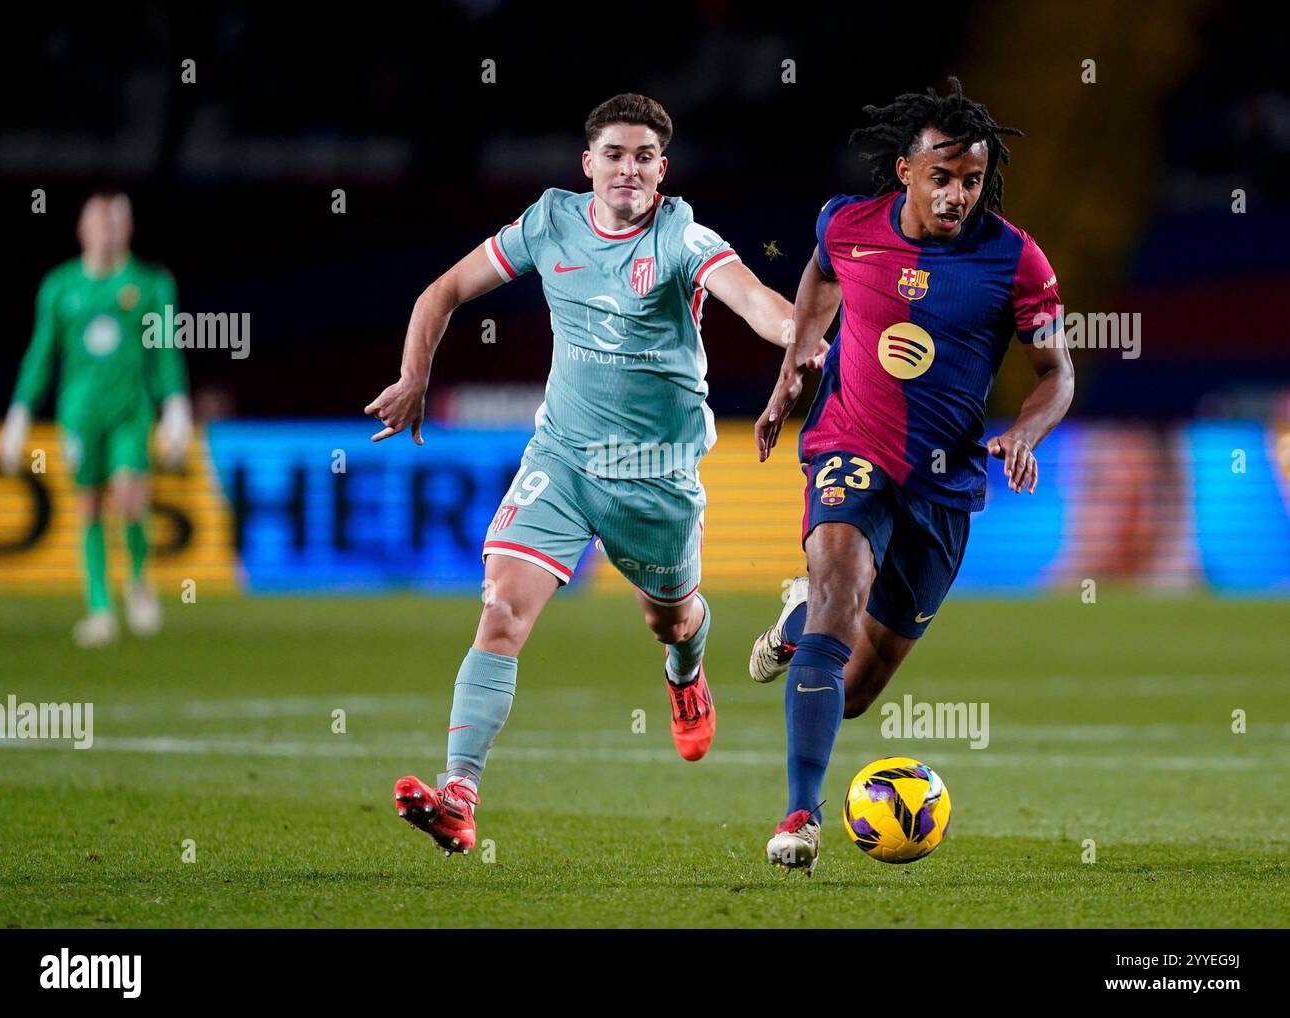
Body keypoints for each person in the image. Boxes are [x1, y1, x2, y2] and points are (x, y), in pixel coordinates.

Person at [368, 93, 812, 856]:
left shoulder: (680, 235)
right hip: (563, 459)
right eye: (614, 154)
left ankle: (685, 671)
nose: (628, 169)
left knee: (668, 619)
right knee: (503, 610)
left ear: (661, 170)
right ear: (589, 165)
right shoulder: (550, 221)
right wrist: (414, 376)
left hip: (655, 476)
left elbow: (755, 300)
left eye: (644, 157)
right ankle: (460, 796)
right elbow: (440, 292)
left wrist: (798, 339)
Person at [750, 80, 1074, 874]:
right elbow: (820, 282)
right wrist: (791, 375)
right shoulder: (846, 223)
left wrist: (1026, 430)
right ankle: (801, 815)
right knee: (837, 598)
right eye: (944, 176)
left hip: (946, 483)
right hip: (849, 449)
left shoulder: (1015, 259)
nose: (959, 193)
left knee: (854, 690)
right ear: (904, 170)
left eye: (973, 178)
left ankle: (794, 627)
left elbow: (1057, 372)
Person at [0, 191, 191, 647]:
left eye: (112, 224)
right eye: (97, 224)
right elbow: (41, 355)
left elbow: (165, 350)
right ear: (82, 230)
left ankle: (139, 581)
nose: (104, 233)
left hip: (130, 410)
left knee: (129, 496)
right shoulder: (60, 287)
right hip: (79, 414)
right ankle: (100, 609)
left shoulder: (149, 285)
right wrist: (20, 413)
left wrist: (177, 404)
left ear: (125, 230)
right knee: (88, 504)